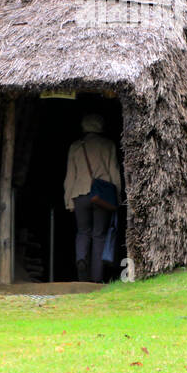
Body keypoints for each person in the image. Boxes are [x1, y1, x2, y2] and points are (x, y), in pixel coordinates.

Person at [63, 113, 122, 282]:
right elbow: (114, 173)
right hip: (101, 196)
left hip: (79, 194)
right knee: (99, 235)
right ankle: (96, 278)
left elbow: (70, 176)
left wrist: (68, 200)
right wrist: (117, 197)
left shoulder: (75, 146)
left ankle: (81, 259)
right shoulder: (108, 145)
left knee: (82, 232)